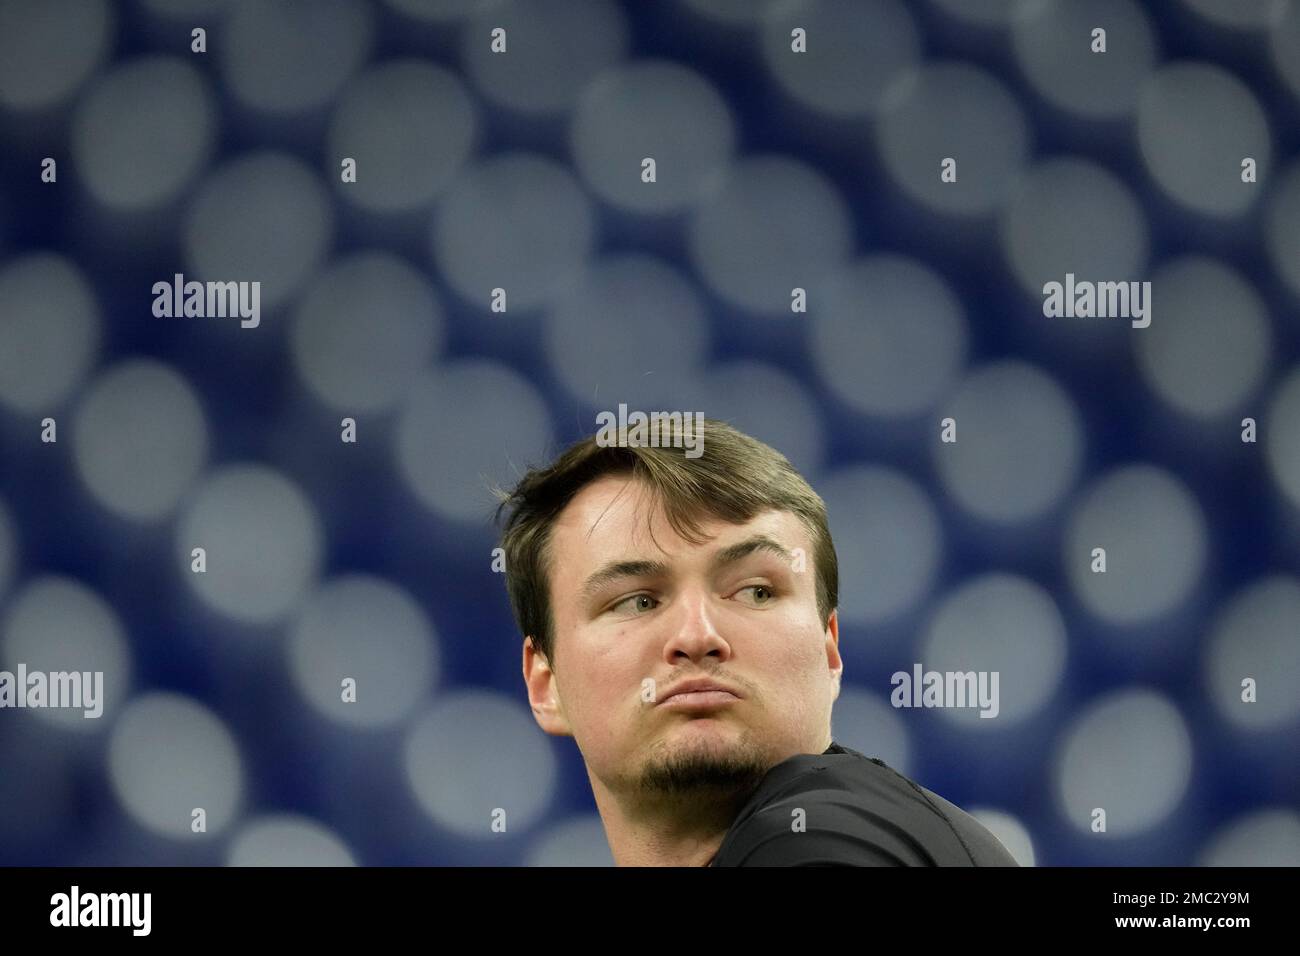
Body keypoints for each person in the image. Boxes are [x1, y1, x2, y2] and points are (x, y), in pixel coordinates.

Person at [494, 417, 1019, 866]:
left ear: (829, 648)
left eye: (754, 591)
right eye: (638, 601)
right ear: (546, 683)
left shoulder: (816, 839)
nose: (698, 636)